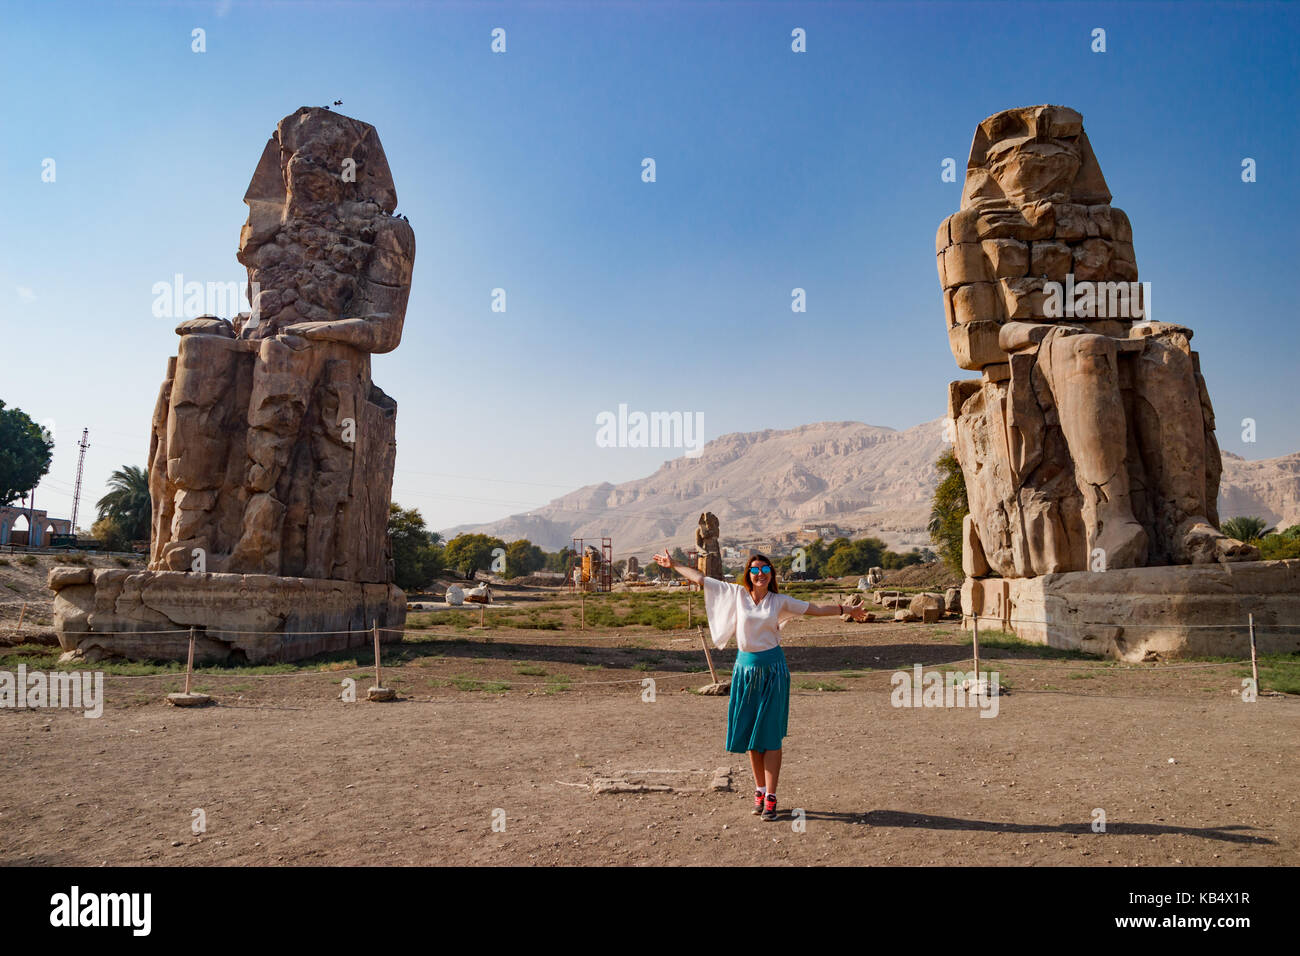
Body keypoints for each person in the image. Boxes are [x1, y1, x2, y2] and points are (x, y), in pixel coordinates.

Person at [651, 549, 867, 821]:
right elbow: (701, 579)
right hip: (744, 671)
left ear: (771, 574)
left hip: (773, 671)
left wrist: (847, 609)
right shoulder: (737, 594)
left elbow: (815, 609)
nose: (760, 574)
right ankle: (759, 790)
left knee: (770, 736)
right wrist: (674, 565)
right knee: (752, 737)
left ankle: (772, 798)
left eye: (765, 570)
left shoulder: (779, 601)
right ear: (748, 574)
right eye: (755, 570)